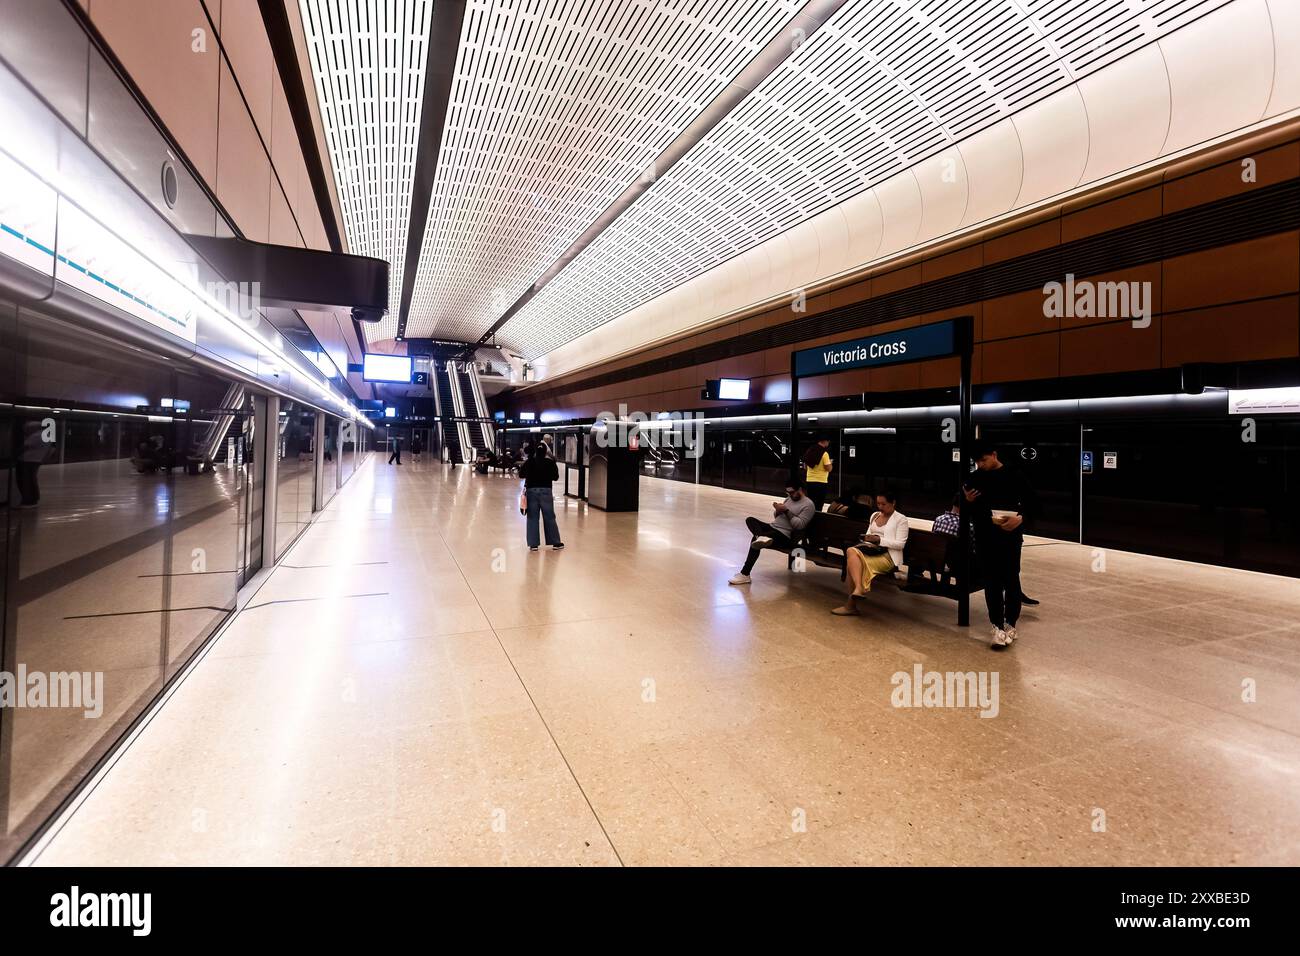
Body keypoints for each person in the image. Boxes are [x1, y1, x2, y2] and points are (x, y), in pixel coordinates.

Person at [964, 439, 1039, 650]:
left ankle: (1010, 623)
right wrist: (968, 502)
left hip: (1010, 537)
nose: (981, 464)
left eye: (984, 460)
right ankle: (996, 626)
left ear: (994, 455)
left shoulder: (1015, 475)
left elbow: (1034, 503)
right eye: (977, 461)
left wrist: (1020, 518)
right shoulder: (974, 478)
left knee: (1011, 579)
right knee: (991, 582)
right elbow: (966, 511)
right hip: (985, 536)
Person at [832, 491, 908, 615]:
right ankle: (858, 590)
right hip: (872, 551)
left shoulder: (901, 519)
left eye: (884, 504)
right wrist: (867, 539)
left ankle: (851, 605)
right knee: (851, 552)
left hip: (888, 557)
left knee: (852, 562)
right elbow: (869, 534)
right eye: (878, 504)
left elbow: (900, 544)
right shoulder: (875, 515)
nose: (880, 507)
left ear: (893, 503)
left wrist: (879, 540)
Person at [728, 480, 816, 585]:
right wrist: (778, 510)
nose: (790, 495)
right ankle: (762, 536)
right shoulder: (788, 499)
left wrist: (787, 511)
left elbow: (799, 525)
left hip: (784, 535)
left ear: (800, 490)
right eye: (788, 493)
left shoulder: (809, 505)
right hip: (773, 527)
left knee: (755, 540)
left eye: (792, 492)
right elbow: (777, 517)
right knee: (750, 520)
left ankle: (745, 574)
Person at [519, 444, 564, 551]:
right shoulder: (550, 462)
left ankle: (533, 544)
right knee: (549, 517)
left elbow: (521, 474)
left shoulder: (529, 462)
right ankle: (555, 543)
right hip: (546, 491)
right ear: (545, 452)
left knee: (532, 518)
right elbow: (555, 477)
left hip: (531, 491)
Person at [801, 436, 833, 511]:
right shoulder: (824, 453)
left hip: (810, 481)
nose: (828, 443)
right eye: (828, 442)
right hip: (821, 482)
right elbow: (829, 469)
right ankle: (817, 520)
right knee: (819, 504)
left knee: (811, 503)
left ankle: (810, 519)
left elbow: (805, 467)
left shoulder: (810, 450)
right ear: (825, 441)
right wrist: (830, 463)